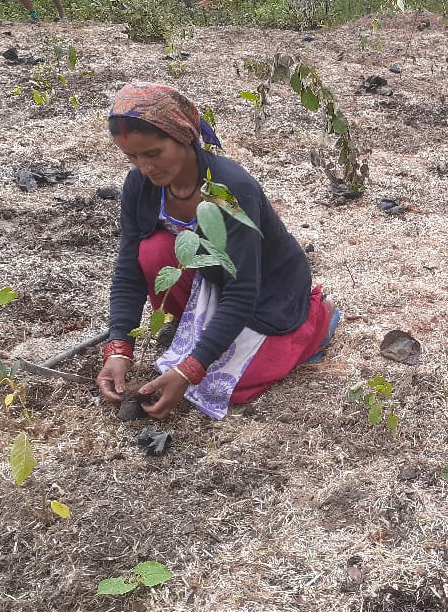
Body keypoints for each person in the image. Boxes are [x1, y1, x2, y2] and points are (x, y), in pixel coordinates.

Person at [96, 83, 340, 421]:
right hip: (210, 278)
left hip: (266, 290)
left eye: (152, 153)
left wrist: (191, 369)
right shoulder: (141, 186)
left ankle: (317, 321)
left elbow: (242, 289)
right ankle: (197, 328)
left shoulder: (229, 191)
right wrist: (119, 346)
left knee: (222, 386)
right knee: (151, 252)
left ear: (184, 137)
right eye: (132, 157)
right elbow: (128, 269)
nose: (144, 167)